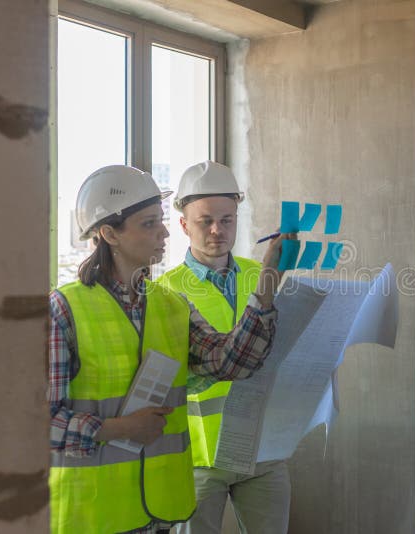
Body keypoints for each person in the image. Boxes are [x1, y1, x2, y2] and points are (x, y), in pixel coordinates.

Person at [48, 165, 294, 534]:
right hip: (91, 515)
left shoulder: (172, 306)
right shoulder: (64, 309)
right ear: (109, 234)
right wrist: (118, 428)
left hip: (155, 513)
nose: (164, 232)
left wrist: (268, 284)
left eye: (161, 221)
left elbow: (230, 363)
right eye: (149, 224)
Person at [156, 161, 290, 534]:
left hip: (263, 447)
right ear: (184, 225)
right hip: (200, 456)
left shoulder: (262, 275)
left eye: (227, 220)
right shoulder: (167, 291)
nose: (218, 230)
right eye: (205, 221)